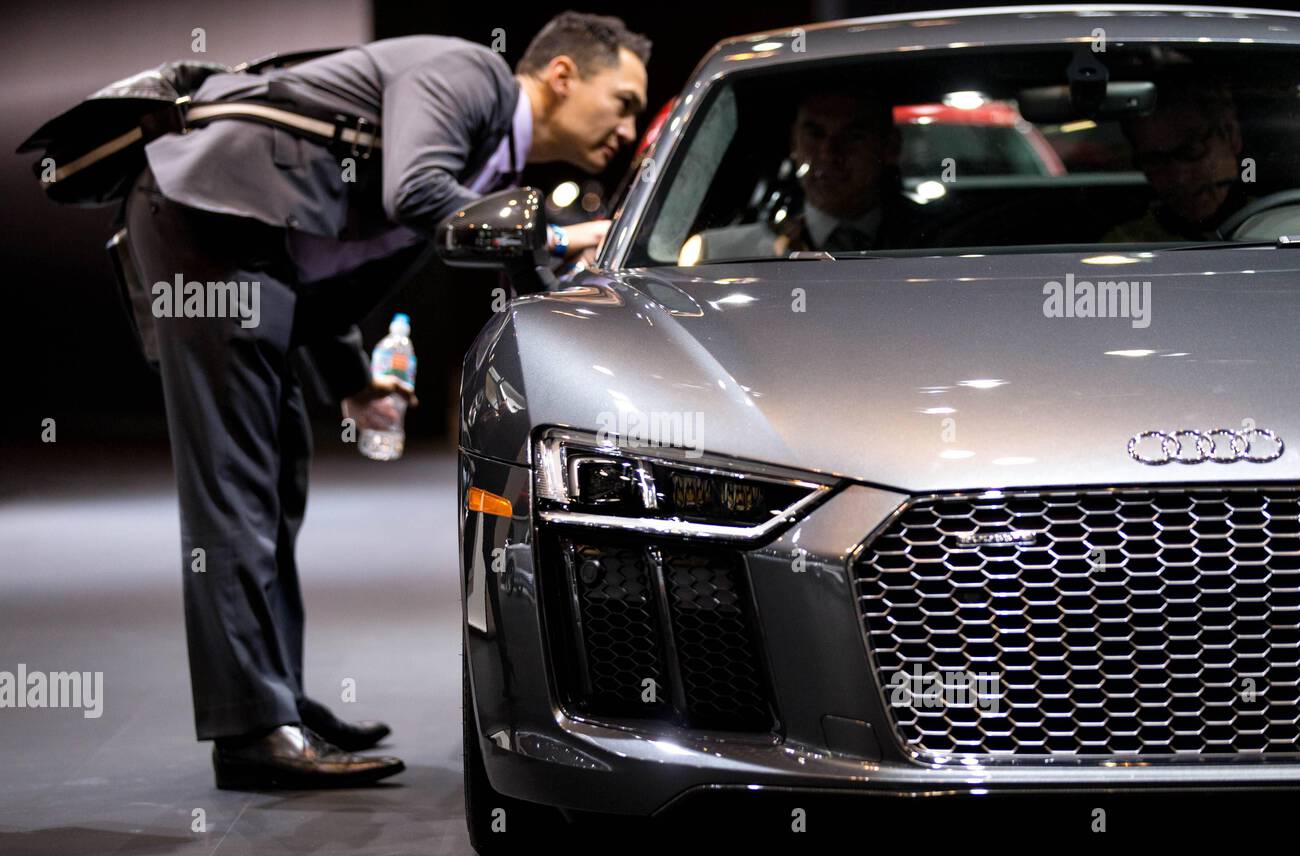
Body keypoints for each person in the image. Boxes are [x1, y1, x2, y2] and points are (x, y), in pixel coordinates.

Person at [124, 12, 650, 789]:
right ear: (563, 75)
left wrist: (351, 380)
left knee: (275, 485)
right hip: (208, 219)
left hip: (247, 239)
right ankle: (252, 729)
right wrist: (556, 237)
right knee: (235, 488)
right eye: (626, 100)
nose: (629, 124)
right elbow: (413, 192)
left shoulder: (483, 159)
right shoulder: (472, 76)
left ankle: (276, 703)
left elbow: (325, 256)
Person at [693, 87, 914, 260]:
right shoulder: (723, 253)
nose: (829, 153)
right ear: (793, 142)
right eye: (815, 134)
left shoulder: (940, 242)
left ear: (890, 147)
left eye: (853, 136)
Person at [1106, 75, 1248, 242]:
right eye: (1155, 160)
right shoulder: (1124, 246)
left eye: (1190, 149)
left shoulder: (1279, 222)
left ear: (1231, 135)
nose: (1179, 178)